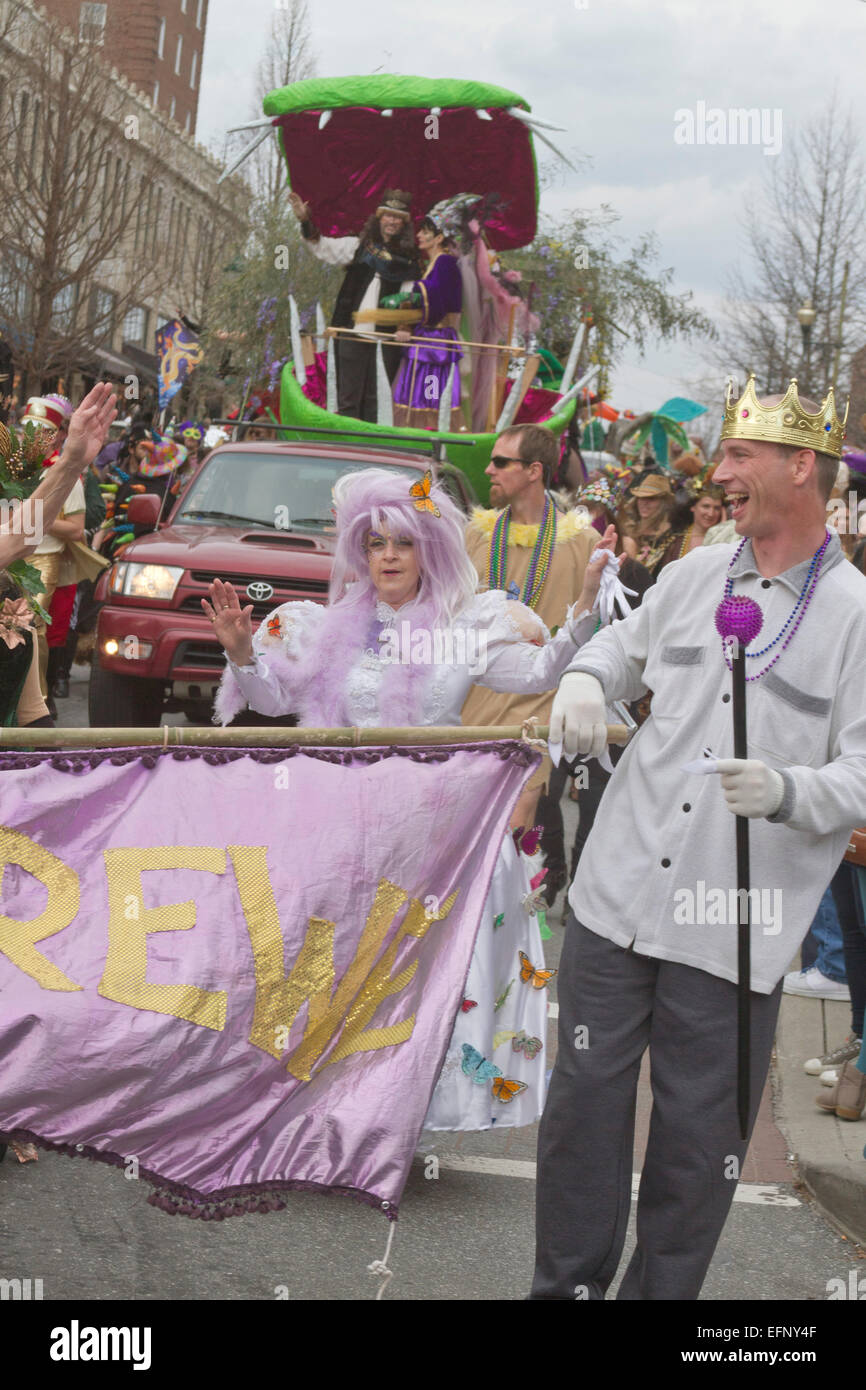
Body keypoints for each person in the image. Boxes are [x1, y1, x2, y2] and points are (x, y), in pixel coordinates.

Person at [532, 374, 866, 1300]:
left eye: (739, 456)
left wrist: (793, 789)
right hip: (614, 898)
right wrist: (587, 678)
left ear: (802, 467)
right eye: (722, 454)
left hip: (734, 926)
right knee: (581, 1121)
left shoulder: (856, 619)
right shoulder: (686, 577)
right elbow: (615, 648)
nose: (718, 473)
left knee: (697, 1149)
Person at [209, 465, 612, 1132]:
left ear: (428, 547)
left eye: (402, 543)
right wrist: (244, 653)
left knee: (413, 975)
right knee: (332, 963)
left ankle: (393, 1113)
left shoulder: (468, 624)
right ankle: (317, 1105)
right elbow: (272, 700)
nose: (389, 557)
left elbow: (541, 669)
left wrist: (588, 603)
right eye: (375, 544)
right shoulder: (317, 626)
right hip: (336, 826)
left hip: (432, 833)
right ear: (359, 552)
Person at [461, 424, 597, 839]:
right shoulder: (476, 535)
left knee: (517, 827)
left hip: (539, 714)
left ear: (534, 470)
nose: (488, 470)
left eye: (501, 462)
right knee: (469, 831)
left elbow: (594, 631)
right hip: (472, 709)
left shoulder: (584, 542)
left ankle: (527, 897)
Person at [289, 189, 420, 422]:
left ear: (404, 223)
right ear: (380, 218)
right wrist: (305, 220)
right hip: (351, 334)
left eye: (398, 217)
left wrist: (404, 328)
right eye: (388, 215)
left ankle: (369, 451)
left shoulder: (408, 261)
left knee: (376, 402)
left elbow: (409, 295)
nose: (392, 221)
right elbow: (323, 247)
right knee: (347, 398)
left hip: (386, 341)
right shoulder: (358, 247)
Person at [388, 208, 464, 430]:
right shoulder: (433, 264)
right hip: (427, 339)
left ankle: (428, 432)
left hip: (435, 343)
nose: (419, 235)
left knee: (430, 393)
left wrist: (410, 294)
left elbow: (438, 295)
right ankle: (419, 431)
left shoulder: (446, 263)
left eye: (425, 231)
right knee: (415, 391)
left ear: (439, 238)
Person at [656, 476, 725, 569]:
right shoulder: (674, 539)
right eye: (706, 506)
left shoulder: (727, 541)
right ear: (693, 507)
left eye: (716, 508)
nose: (711, 513)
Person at [619, 472, 680, 577]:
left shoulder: (671, 537)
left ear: (664, 503)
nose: (644, 502)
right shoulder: (627, 527)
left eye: (651, 498)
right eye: (641, 497)